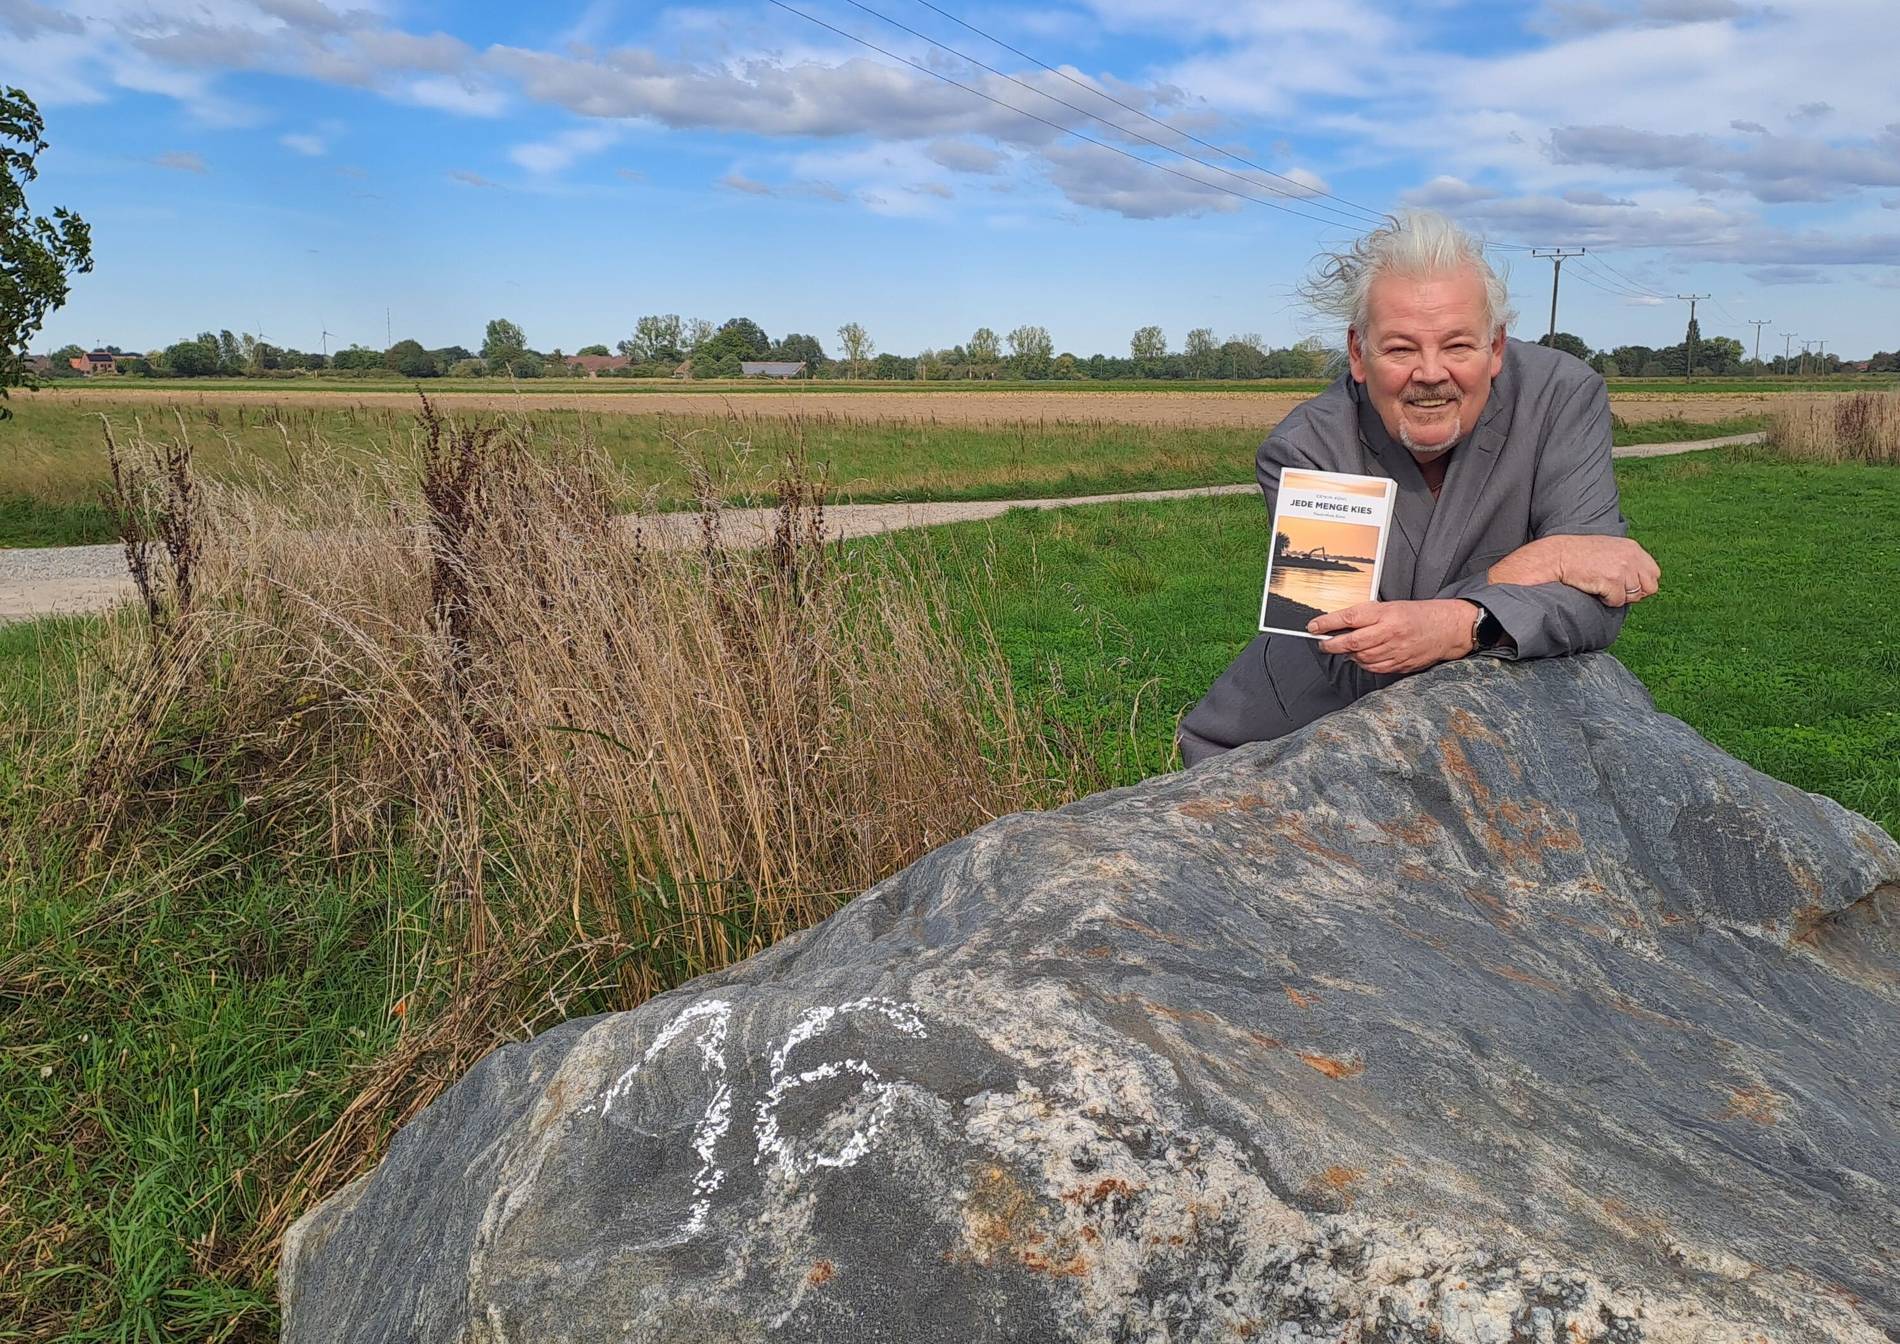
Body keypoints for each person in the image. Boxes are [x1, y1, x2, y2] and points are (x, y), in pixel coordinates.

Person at [1177, 209, 1661, 766]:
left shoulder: (1560, 396)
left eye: (1457, 346)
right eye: (1401, 349)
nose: (1431, 373)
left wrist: (1455, 624)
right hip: (1280, 745)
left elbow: (1600, 600)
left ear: (1497, 345)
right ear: (1359, 353)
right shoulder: (1307, 448)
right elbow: (1351, 654)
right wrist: (1535, 565)